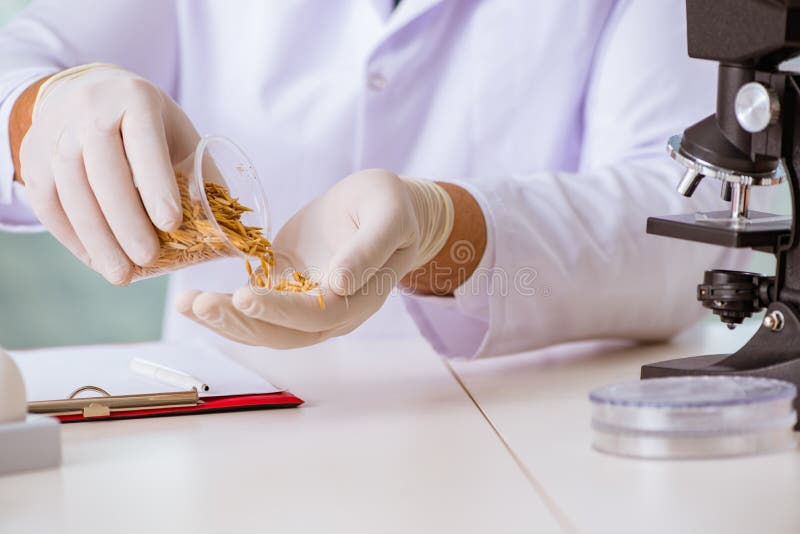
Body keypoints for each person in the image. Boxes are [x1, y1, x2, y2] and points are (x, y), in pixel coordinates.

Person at [0, 0, 746, 358]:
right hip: (229, 425)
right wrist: (42, 108)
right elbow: (26, 53)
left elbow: (696, 219)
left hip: (543, 429)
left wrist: (443, 230)